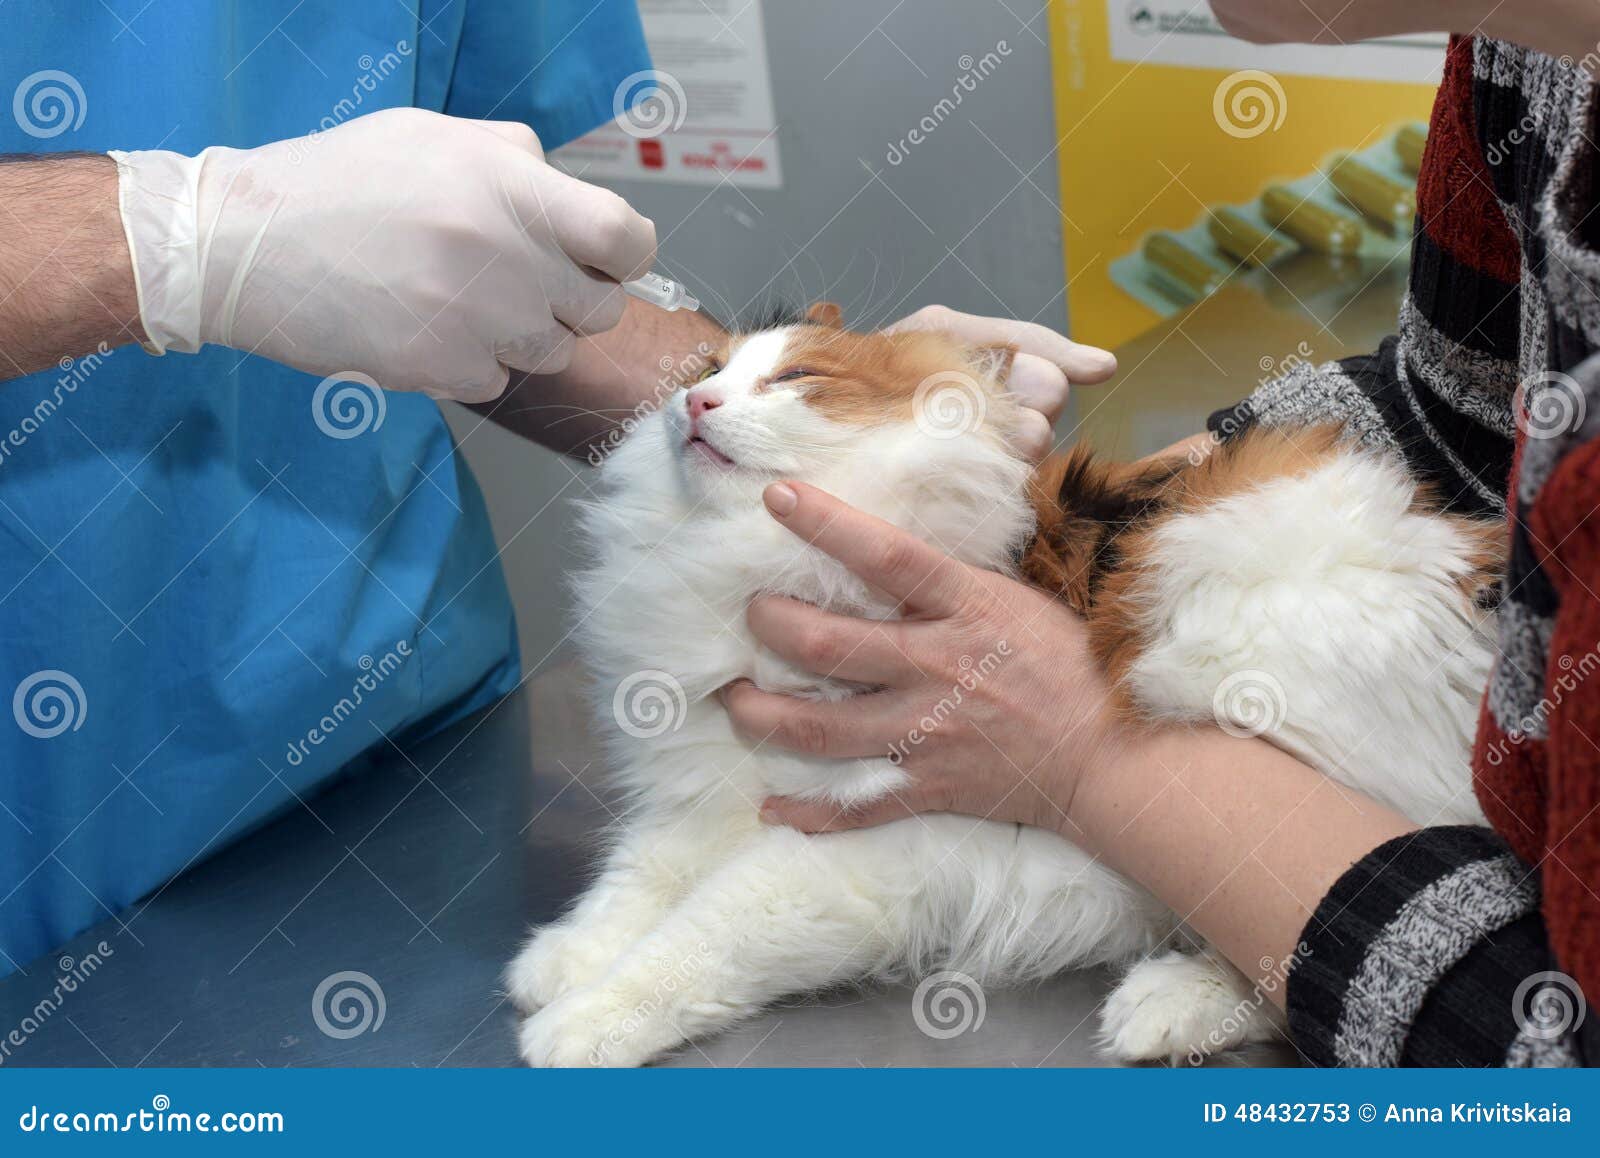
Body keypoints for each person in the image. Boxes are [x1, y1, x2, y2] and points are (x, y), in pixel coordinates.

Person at [0, 3, 1114, 975]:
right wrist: (157, 238)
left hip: (384, 738)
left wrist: (821, 411)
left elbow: (447, 275)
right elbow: (290, 248)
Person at [728, 1, 1600, 1066]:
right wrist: (1059, 526)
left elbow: (1551, 1060)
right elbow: (1456, 416)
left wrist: (1090, 761)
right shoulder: (1525, 43)